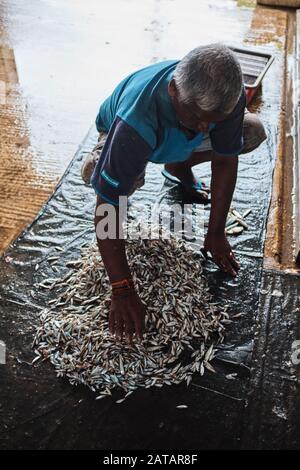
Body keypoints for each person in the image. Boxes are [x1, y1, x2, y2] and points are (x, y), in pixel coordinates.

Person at [81, 43, 267, 342]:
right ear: (173, 91)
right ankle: (118, 162)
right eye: (197, 116)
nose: (205, 127)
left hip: (174, 130)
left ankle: (178, 164)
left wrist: (216, 231)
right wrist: (122, 286)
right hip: (125, 132)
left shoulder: (223, 101)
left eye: (213, 119)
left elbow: (224, 160)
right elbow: (108, 207)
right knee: (104, 180)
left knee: (253, 130)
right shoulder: (137, 120)